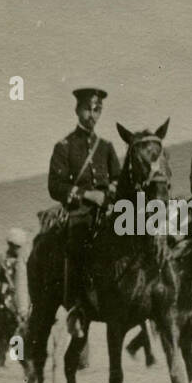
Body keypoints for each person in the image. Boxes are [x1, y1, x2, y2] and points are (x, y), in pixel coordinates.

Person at [47, 87, 121, 317]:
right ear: (77, 110)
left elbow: (117, 178)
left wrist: (111, 189)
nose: (92, 115)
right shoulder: (64, 147)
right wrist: (88, 195)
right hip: (80, 212)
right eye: (88, 109)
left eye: (97, 110)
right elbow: (55, 186)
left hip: (106, 210)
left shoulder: (106, 147)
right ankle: (77, 304)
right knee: (77, 242)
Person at [0, 228, 28, 377]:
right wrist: (4, 288)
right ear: (10, 245)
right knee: (9, 335)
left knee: (10, 335)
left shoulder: (20, 262)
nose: (18, 249)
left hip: (15, 305)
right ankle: (24, 364)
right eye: (16, 246)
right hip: (3, 305)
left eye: (19, 246)